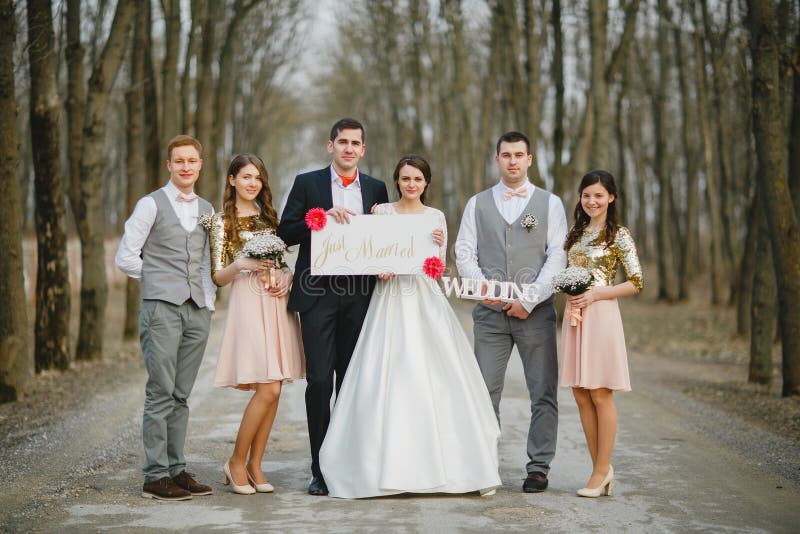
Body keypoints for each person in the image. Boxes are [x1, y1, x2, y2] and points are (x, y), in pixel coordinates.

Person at [319, 155, 501, 499]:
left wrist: (434, 248)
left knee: (432, 373)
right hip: (388, 298)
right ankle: (375, 465)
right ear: (397, 181)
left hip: (424, 298)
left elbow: (437, 268)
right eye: (405, 179)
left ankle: (446, 466)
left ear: (426, 183)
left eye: (417, 179)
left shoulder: (436, 218)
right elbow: (368, 254)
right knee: (386, 372)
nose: (411, 184)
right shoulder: (382, 213)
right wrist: (379, 268)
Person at [276, 118, 389, 496]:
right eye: (342, 142)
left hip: (360, 296)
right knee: (320, 380)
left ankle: (350, 461)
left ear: (363, 149)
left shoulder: (376, 188)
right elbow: (286, 232)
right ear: (330, 146)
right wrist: (319, 220)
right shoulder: (307, 183)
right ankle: (320, 467)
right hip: (317, 294)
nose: (348, 148)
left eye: (355, 143)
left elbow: (388, 237)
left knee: (353, 382)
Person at [455, 131, 567, 493]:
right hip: (489, 314)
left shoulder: (550, 204)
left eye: (520, 155)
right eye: (506, 155)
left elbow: (557, 257)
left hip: (536, 315)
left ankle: (538, 467)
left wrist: (529, 299)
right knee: (484, 391)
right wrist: (485, 290)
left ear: (530, 159)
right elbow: (464, 253)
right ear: (497, 158)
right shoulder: (477, 203)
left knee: (543, 392)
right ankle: (485, 465)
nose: (513, 161)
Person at [115, 135, 216, 501]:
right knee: (160, 392)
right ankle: (155, 475)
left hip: (197, 310)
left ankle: (176, 469)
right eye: (179, 161)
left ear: (200, 165)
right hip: (161, 308)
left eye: (192, 160)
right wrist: (159, 280)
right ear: (169, 166)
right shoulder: (150, 205)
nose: (186, 166)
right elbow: (126, 257)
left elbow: (207, 261)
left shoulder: (207, 209)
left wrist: (209, 303)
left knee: (182, 393)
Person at [209, 154, 305, 495]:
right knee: (269, 387)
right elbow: (218, 276)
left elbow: (284, 261)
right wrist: (243, 263)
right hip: (248, 300)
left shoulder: (270, 218)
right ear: (232, 180)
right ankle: (236, 460)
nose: (253, 183)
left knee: (275, 386)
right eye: (247, 177)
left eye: (258, 178)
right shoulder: (222, 222)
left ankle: (255, 463)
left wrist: (287, 276)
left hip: (275, 299)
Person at [559, 170, 643, 498]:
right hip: (575, 315)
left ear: (611, 198)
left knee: (599, 392)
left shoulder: (618, 235)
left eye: (598, 195)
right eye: (586, 195)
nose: (591, 201)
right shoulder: (575, 233)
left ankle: (600, 470)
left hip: (602, 313)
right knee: (580, 392)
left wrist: (596, 294)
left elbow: (636, 282)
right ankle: (600, 469)